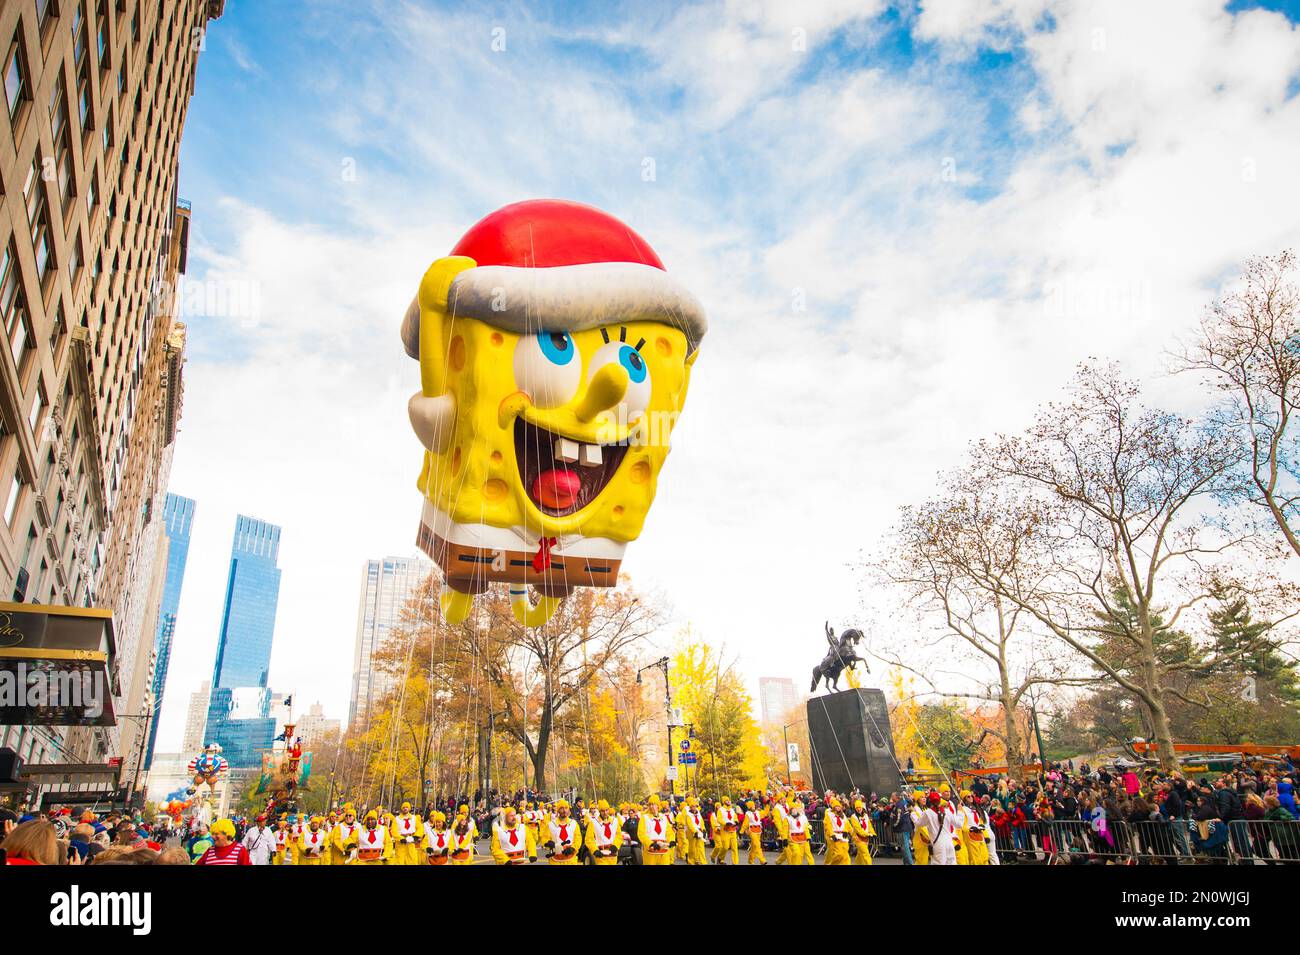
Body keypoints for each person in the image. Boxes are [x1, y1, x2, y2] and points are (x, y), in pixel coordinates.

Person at [639, 795, 676, 866]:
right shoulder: (644, 818)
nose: (651, 806)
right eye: (650, 804)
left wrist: (671, 840)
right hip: (650, 851)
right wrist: (651, 844)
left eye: (653, 804)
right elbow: (641, 834)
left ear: (658, 806)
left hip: (664, 851)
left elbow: (669, 832)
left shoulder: (664, 817)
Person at [544, 799, 582, 864]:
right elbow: (544, 838)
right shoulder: (550, 825)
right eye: (562, 808)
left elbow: (578, 839)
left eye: (566, 808)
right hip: (555, 860)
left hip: (571, 859)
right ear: (558, 810)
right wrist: (548, 843)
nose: (564, 810)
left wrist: (573, 848)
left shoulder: (574, 823)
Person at [585, 800, 622, 865]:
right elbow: (589, 839)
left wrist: (616, 845)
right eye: (602, 811)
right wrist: (595, 850)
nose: (605, 813)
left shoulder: (615, 821)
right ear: (599, 811)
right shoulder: (593, 822)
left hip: (613, 855)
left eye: (606, 810)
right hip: (601, 856)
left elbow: (619, 836)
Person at [710, 795, 740, 865]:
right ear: (724, 802)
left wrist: (736, 821)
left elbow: (735, 817)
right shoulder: (721, 810)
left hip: (733, 830)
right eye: (727, 800)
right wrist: (725, 823)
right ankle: (720, 857)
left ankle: (735, 863)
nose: (729, 801)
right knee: (725, 847)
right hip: (725, 830)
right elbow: (719, 819)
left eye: (729, 800)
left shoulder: (732, 810)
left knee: (734, 848)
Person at [785, 797, 814, 865]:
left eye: (799, 808)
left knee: (805, 853)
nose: (799, 810)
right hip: (792, 838)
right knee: (796, 853)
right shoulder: (788, 818)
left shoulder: (803, 817)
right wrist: (784, 838)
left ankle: (811, 863)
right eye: (796, 808)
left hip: (804, 837)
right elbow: (785, 829)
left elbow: (806, 826)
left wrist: (809, 833)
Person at [823, 798, 851, 865]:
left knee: (845, 854)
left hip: (843, 836)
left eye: (839, 806)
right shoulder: (829, 814)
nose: (838, 808)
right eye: (836, 806)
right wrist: (832, 834)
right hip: (835, 835)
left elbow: (847, 824)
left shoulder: (843, 815)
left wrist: (846, 831)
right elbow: (828, 825)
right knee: (838, 854)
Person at [681, 796, 708, 865]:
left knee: (701, 848)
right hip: (691, 832)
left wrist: (704, 829)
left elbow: (701, 822)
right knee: (692, 848)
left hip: (699, 832)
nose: (694, 808)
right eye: (693, 806)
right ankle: (691, 861)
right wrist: (695, 832)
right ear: (690, 807)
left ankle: (703, 862)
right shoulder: (688, 814)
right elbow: (690, 825)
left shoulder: (698, 813)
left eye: (695, 806)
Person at [848, 798, 875, 865]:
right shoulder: (853, 817)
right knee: (866, 855)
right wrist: (867, 834)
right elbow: (858, 829)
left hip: (866, 838)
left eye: (859, 807)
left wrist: (873, 833)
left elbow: (869, 825)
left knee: (860, 855)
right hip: (858, 838)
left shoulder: (865, 815)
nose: (858, 809)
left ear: (862, 807)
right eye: (857, 807)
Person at [742, 799, 766, 865]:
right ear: (749, 807)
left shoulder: (758, 812)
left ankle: (750, 861)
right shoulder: (748, 814)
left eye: (754, 806)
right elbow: (745, 823)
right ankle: (762, 860)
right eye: (752, 806)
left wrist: (766, 806)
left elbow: (765, 814)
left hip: (758, 830)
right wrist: (741, 831)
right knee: (757, 845)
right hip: (752, 831)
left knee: (753, 847)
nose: (753, 807)